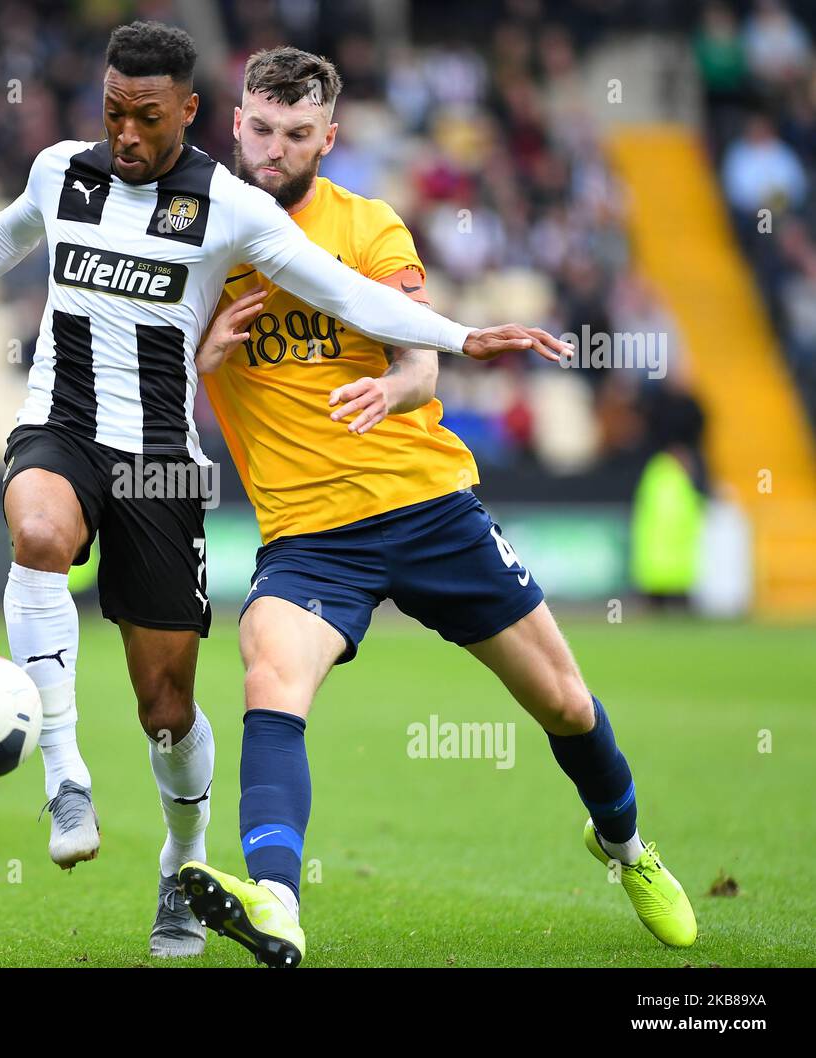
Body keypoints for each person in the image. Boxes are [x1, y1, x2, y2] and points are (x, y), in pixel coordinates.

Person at [0, 21, 569, 959]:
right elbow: (3, 237)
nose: (125, 133)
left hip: (162, 462)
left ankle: (182, 859)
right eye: (112, 111)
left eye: (145, 117)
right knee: (39, 535)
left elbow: (344, 292)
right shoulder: (62, 172)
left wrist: (461, 338)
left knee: (167, 710)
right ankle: (65, 776)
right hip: (62, 425)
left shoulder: (231, 208)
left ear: (187, 111)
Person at [176, 47, 696, 967]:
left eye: (297, 133)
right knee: (270, 679)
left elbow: (420, 358)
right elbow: (144, 385)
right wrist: (197, 354)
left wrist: (392, 390)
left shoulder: (368, 225)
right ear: (235, 124)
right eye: (260, 128)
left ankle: (624, 846)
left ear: (328, 139)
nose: (273, 148)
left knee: (566, 703)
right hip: (309, 536)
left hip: (427, 506)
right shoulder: (199, 243)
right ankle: (278, 903)